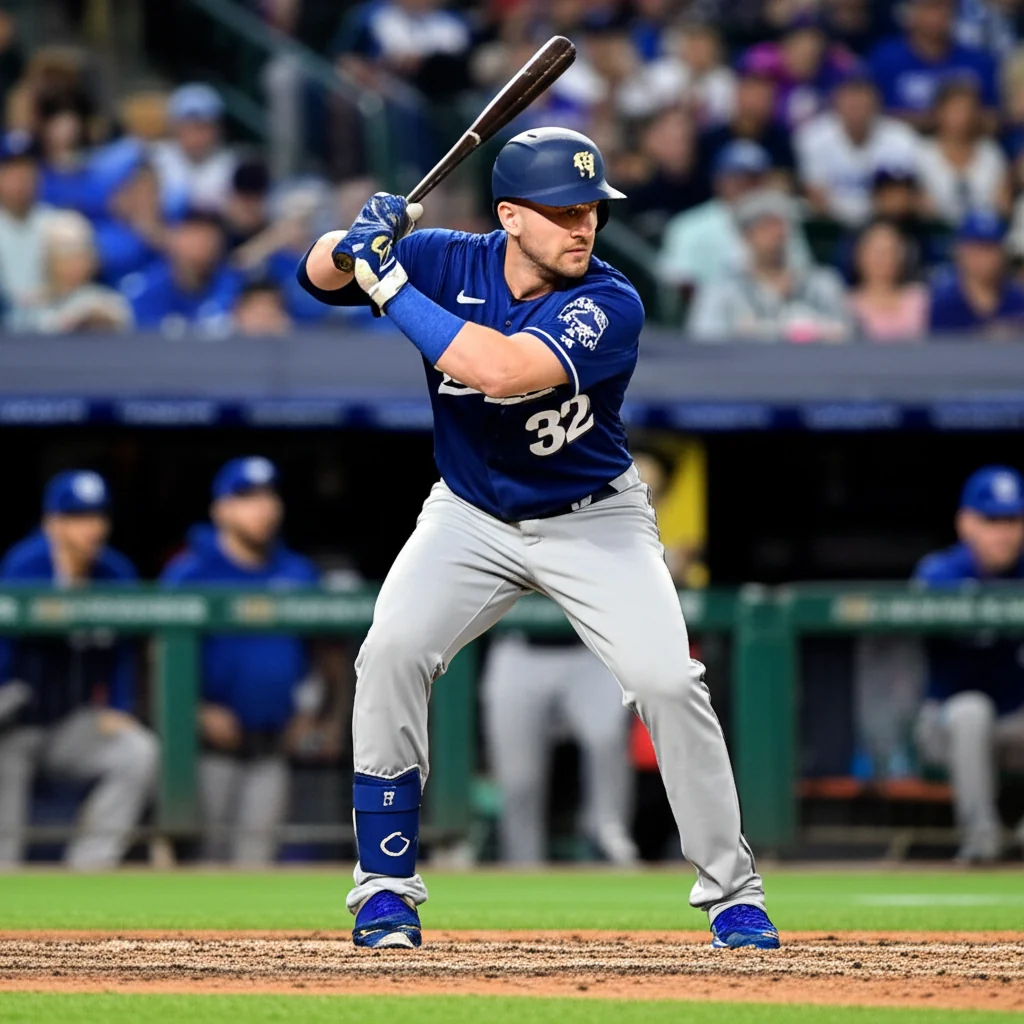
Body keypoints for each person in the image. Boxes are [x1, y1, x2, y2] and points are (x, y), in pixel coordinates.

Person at [299, 127, 777, 950]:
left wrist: (387, 282)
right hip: (471, 513)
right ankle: (384, 889)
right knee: (391, 652)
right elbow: (315, 277)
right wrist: (355, 239)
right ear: (510, 216)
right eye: (563, 211)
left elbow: (501, 371)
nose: (582, 226)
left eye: (590, 210)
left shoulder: (611, 301)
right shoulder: (448, 258)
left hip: (593, 517)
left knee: (668, 681)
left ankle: (734, 892)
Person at [161, 457, 319, 864]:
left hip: (273, 746)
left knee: (257, 865)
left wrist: (314, 710)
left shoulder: (298, 572)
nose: (263, 506)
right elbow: (157, 660)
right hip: (205, 750)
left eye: (269, 495)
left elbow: (324, 651)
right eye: (247, 497)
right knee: (203, 863)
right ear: (221, 509)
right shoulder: (189, 573)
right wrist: (195, 710)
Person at [0, 471, 157, 868]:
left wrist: (119, 705)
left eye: (97, 516)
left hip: (71, 722)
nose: (92, 527)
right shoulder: (24, 565)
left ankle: (89, 868)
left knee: (137, 751)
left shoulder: (115, 572)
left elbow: (124, 649)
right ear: (52, 522)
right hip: (14, 723)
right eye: (77, 517)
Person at [913, 466, 1024, 863]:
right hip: (946, 725)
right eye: (992, 520)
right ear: (966, 523)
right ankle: (982, 842)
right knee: (972, 710)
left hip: (1014, 725)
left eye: (1012, 520)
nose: (1004, 532)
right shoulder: (939, 573)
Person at [688, 189, 853, 343]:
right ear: (746, 235)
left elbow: (847, 334)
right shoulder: (721, 287)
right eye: (765, 227)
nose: (776, 235)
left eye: (780, 226)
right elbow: (705, 338)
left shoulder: (822, 282)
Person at [659, 140, 810, 290]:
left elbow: (801, 272)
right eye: (736, 178)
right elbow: (677, 283)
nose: (745, 185)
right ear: (719, 181)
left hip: (775, 301)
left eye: (753, 179)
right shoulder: (688, 226)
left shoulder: (780, 221)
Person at [795, 68, 922, 227]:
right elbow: (816, 198)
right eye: (850, 99)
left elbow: (899, 199)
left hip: (888, 224)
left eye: (862, 99)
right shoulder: (812, 137)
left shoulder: (901, 137)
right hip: (830, 225)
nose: (856, 106)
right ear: (836, 101)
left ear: (876, 102)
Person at [869, 0, 999, 126]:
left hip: (965, 138)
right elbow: (873, 115)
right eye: (930, 7)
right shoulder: (885, 59)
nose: (938, 15)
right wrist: (938, 120)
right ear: (911, 12)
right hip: (899, 139)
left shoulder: (977, 63)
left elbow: (994, 119)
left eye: (945, 7)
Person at [119, 210, 242, 335]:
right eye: (193, 237)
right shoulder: (144, 288)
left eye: (207, 239)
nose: (200, 246)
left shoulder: (233, 287)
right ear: (174, 238)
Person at [916, 77, 1011, 227]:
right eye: (955, 110)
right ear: (939, 112)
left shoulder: (991, 152)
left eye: (968, 110)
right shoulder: (922, 153)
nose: (962, 117)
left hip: (984, 234)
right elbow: (920, 207)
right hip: (936, 233)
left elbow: (1003, 206)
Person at [21, 209, 133, 333]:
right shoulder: (30, 306)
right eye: (64, 256)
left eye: (79, 256)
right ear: (48, 260)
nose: (72, 265)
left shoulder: (107, 303)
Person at [697, 62, 798, 191]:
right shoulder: (711, 139)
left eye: (763, 97)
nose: (755, 103)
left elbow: (787, 182)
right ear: (737, 96)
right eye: (751, 94)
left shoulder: (781, 141)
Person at [928, 210, 1024, 335]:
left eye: (991, 249)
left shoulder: (1018, 299)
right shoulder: (943, 303)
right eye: (977, 249)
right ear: (960, 251)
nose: (984, 259)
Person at [150, 83, 237, 214]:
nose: (196, 136)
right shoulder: (153, 158)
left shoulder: (233, 165)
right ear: (173, 128)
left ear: (218, 130)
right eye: (189, 127)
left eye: (204, 127)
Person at [0, 129, 54, 324]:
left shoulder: (61, 224)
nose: (20, 178)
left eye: (27, 169)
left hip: (53, 329)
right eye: (11, 170)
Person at [847, 218, 929, 340]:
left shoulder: (920, 299)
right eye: (875, 252)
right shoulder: (846, 305)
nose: (881, 259)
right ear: (858, 255)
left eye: (889, 251)